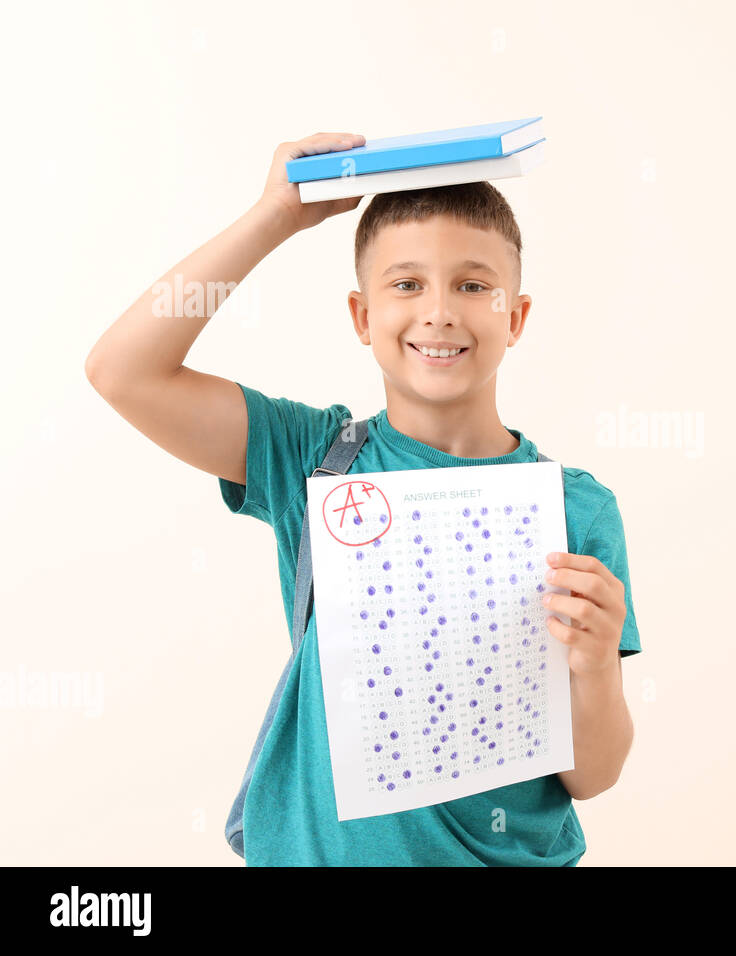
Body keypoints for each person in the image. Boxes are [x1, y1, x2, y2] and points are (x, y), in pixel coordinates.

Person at [84, 131, 642, 865]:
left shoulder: (575, 507)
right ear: (360, 316)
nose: (439, 312)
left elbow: (591, 775)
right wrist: (275, 215)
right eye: (406, 284)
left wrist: (597, 663)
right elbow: (123, 370)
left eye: (473, 285)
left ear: (515, 317)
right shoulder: (313, 460)